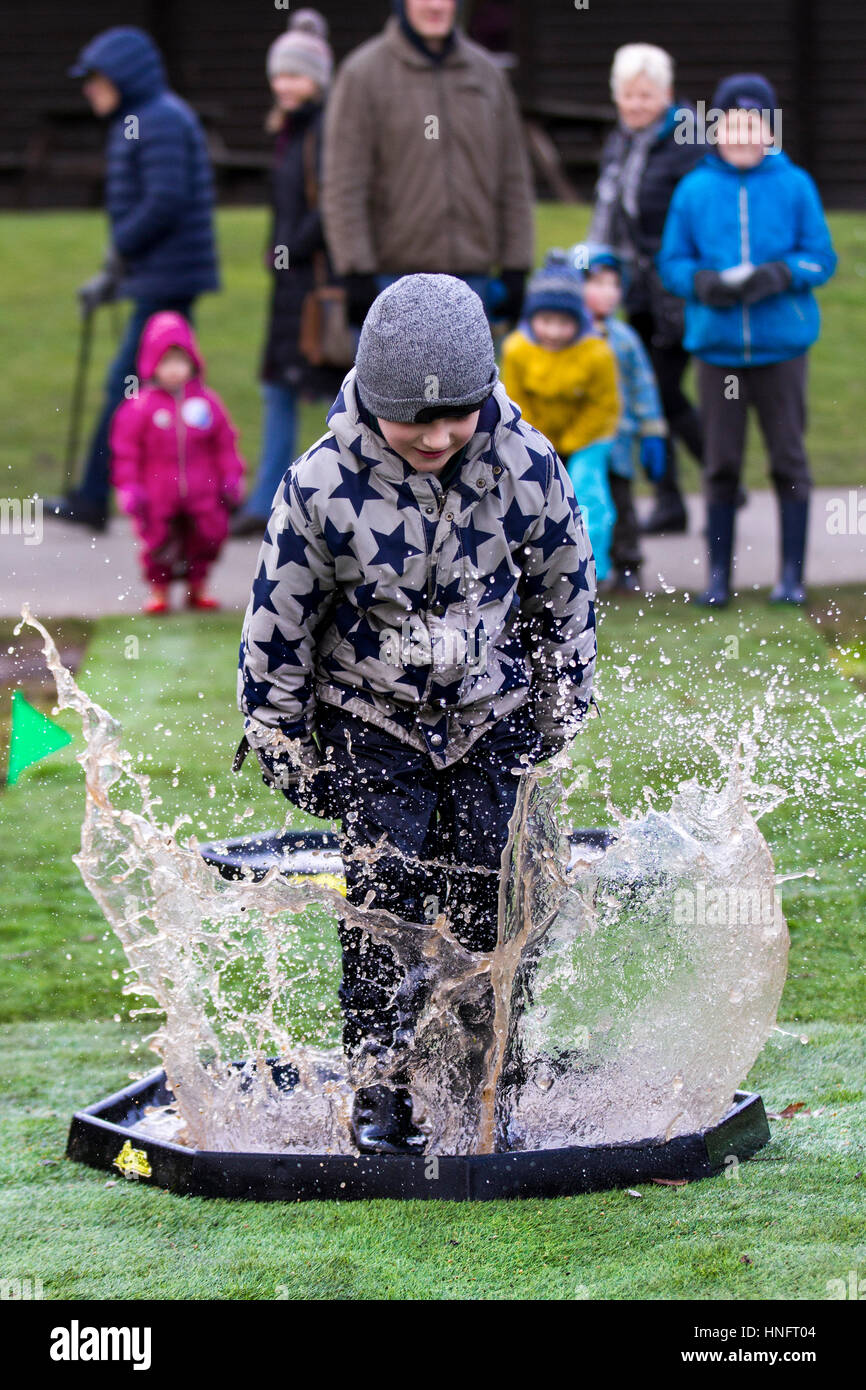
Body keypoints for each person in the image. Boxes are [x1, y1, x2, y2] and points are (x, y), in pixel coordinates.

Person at [235, 275, 596, 1154]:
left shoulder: (523, 464)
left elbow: (566, 589)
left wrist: (560, 698)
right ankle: (379, 1085)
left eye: (457, 415)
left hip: (491, 715)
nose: (437, 436)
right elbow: (279, 617)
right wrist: (276, 730)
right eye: (414, 420)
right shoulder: (321, 484)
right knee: (385, 903)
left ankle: (487, 1084)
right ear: (370, 398)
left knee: (494, 901)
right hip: (372, 721)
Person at [657, 74, 837, 607]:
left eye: (752, 124)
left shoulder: (795, 184)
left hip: (782, 351)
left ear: (769, 130)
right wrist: (701, 283)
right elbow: (672, 262)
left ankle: (792, 577)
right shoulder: (693, 189)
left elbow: (821, 257)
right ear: (717, 129)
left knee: (788, 459)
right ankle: (718, 579)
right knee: (720, 464)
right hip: (718, 354)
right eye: (732, 124)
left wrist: (782, 274)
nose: (741, 134)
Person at [50, 27, 219, 532]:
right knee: (141, 388)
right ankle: (117, 494)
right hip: (158, 274)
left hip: (166, 279)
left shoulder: (157, 120)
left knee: (128, 384)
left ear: (122, 77)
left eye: (95, 78)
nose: (89, 89)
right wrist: (119, 268)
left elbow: (164, 201)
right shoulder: (144, 119)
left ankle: (100, 497)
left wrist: (117, 255)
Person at [320, 0, 534, 328]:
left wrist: (516, 265)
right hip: (389, 284)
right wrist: (355, 270)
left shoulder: (486, 74)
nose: (435, 5)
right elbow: (342, 183)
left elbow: (513, 177)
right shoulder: (362, 74)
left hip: (473, 284)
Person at [232, 11, 346, 538]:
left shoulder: (325, 131)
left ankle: (339, 497)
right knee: (277, 387)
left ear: (316, 78)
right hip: (287, 285)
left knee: (329, 391)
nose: (285, 84)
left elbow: (330, 206)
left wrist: (290, 249)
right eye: (279, 74)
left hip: (314, 286)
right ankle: (267, 498)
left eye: (296, 74)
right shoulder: (288, 132)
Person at [589, 42, 703, 535]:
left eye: (646, 95)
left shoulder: (686, 144)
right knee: (650, 394)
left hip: (673, 292)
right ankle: (671, 498)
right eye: (628, 95)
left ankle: (719, 474)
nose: (636, 105)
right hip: (632, 290)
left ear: (667, 95)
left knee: (663, 390)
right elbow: (610, 213)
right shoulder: (620, 141)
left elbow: (695, 220)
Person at [110, 312, 244, 614]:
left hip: (202, 492)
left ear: (192, 362)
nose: (173, 370)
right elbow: (126, 452)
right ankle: (159, 590)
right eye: (165, 362)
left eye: (180, 361)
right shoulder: (139, 408)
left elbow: (225, 444)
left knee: (208, 537)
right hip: (158, 494)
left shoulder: (208, 404)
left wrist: (231, 476)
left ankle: (198, 586)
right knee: (159, 542)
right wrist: (129, 487)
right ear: (151, 364)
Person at [500, 253, 620, 582]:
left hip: (587, 438)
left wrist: (570, 444)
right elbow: (515, 400)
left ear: (578, 320)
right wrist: (542, 443)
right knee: (525, 495)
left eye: (564, 322)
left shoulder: (597, 353)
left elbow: (602, 406)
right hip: (534, 437)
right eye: (546, 320)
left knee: (587, 496)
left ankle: (591, 569)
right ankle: (532, 571)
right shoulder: (516, 349)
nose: (554, 331)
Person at [576, 244, 668, 594]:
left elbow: (644, 388)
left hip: (619, 441)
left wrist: (653, 433)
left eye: (614, 284)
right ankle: (582, 568)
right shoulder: (563, 337)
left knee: (621, 505)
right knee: (584, 506)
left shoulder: (625, 339)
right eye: (596, 283)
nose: (607, 293)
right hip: (580, 444)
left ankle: (628, 564)